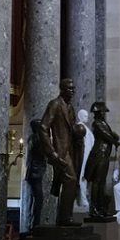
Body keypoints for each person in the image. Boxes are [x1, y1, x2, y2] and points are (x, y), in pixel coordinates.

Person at [38, 78, 85, 226]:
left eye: (73, 88)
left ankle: (66, 216)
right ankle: (64, 218)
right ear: (62, 89)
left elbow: (71, 127)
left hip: (71, 148)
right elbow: (43, 128)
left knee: (73, 180)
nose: (72, 91)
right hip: (60, 149)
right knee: (70, 179)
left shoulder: (70, 107)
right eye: (70, 88)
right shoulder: (55, 104)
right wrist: (51, 152)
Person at [84, 102, 120, 219]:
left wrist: (115, 136)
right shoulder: (96, 123)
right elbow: (106, 135)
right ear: (98, 112)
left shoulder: (104, 122)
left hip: (105, 154)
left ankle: (101, 208)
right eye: (103, 111)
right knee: (97, 181)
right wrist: (115, 141)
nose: (104, 113)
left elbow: (110, 133)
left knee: (102, 182)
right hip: (99, 154)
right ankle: (94, 208)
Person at [22, 118, 47, 233]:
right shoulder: (38, 138)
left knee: (35, 199)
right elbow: (44, 152)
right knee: (39, 199)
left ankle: (33, 223)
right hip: (36, 172)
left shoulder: (32, 138)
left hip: (34, 171)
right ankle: (35, 223)